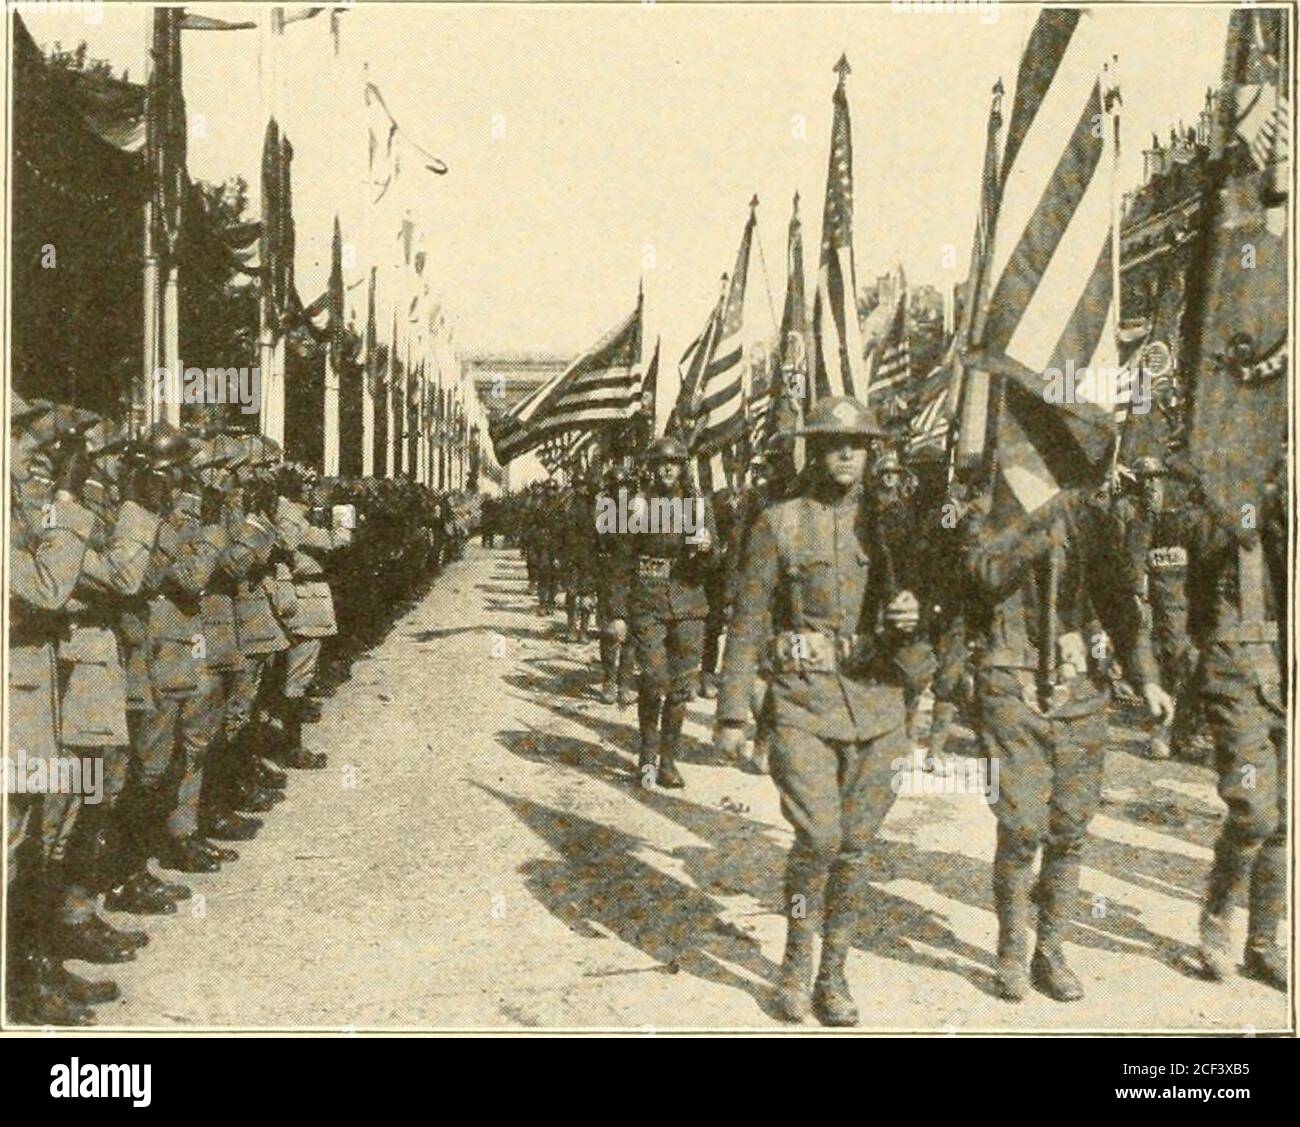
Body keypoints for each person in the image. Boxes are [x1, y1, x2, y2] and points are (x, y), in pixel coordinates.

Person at [715, 397, 920, 1026]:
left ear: (872, 452)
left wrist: (917, 617)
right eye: (833, 441)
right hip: (803, 703)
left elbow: (943, 603)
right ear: (814, 448)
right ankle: (796, 965)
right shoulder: (778, 524)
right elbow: (747, 622)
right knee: (820, 837)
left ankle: (835, 974)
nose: (846, 453)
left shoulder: (898, 529)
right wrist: (731, 712)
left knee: (855, 847)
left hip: (881, 704)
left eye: (857, 443)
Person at [964, 482, 1172, 1003]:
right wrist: (1037, 526)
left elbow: (1120, 601)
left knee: (1069, 829)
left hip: (1081, 687)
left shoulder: (1094, 519)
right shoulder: (987, 512)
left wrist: (1146, 677)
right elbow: (985, 579)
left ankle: (1050, 951)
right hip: (1010, 685)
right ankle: (1012, 949)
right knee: (1020, 825)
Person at [1164, 453, 1286, 992]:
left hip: (1282, 671)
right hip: (1231, 675)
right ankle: (1217, 914)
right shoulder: (1193, 519)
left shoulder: (1280, 515)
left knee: (1284, 818)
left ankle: (1262, 944)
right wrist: (1182, 667)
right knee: (1254, 810)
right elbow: (1169, 602)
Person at [629, 436, 716, 789]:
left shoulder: (699, 505)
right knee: (653, 679)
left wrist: (708, 548)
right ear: (652, 467)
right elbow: (622, 558)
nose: (668, 469)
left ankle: (668, 760)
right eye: (662, 463)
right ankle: (647, 756)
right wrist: (617, 611)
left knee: (681, 687)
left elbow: (717, 558)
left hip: (689, 601)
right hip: (649, 601)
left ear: (682, 467)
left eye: (675, 463)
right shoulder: (637, 505)